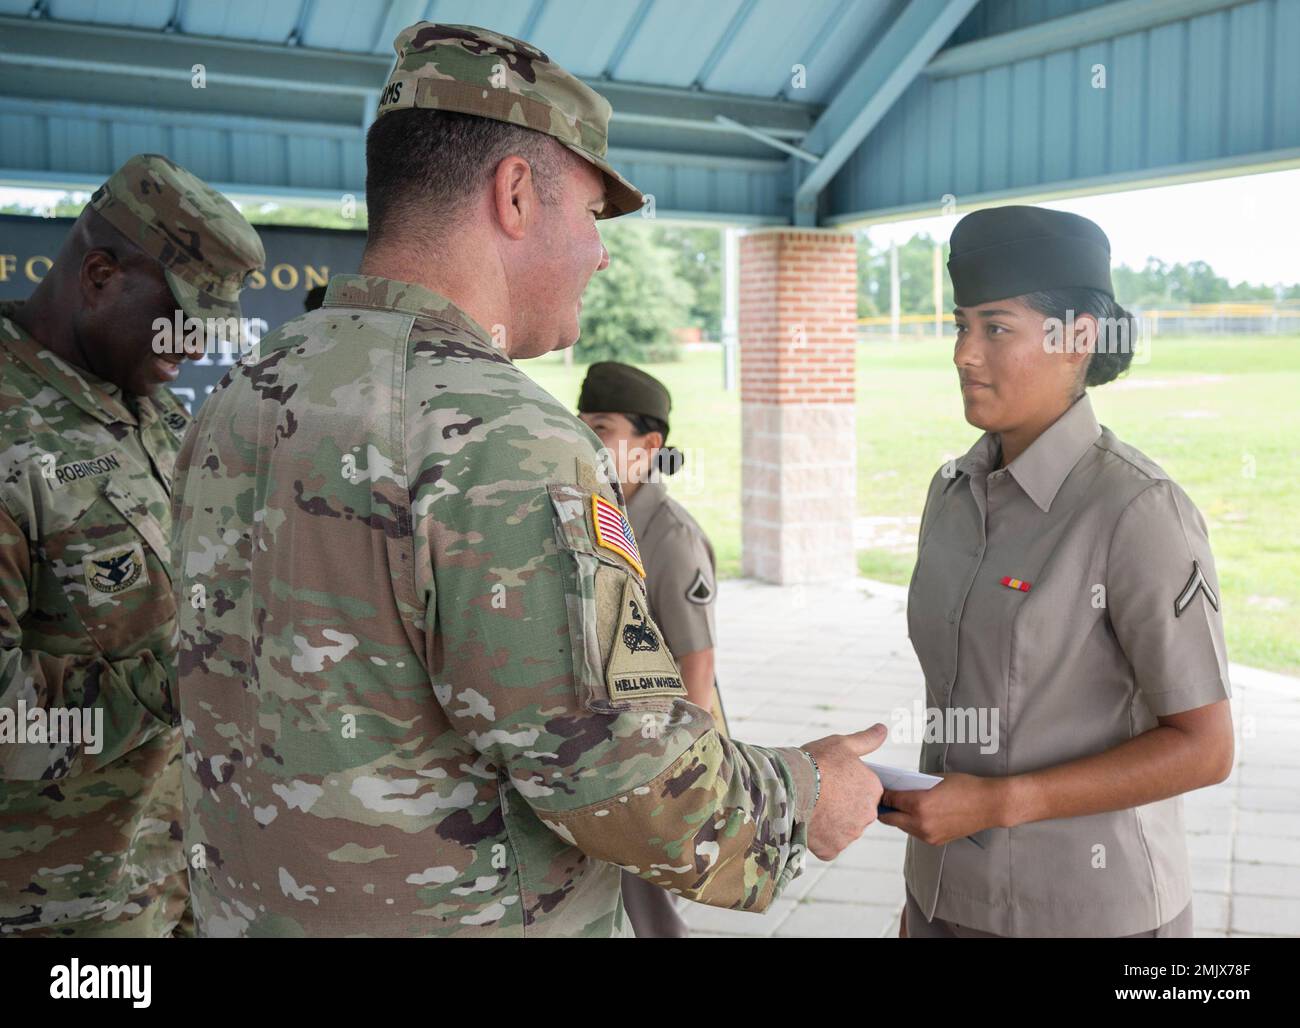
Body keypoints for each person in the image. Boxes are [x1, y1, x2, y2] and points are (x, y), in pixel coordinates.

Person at [171, 22, 887, 938]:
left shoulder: (243, 392)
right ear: (515, 194)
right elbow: (622, 778)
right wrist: (806, 794)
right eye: (591, 216)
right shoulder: (507, 438)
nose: (600, 254)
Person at [888, 205, 1234, 938]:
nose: (964, 354)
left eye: (996, 328)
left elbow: (1206, 747)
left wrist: (1000, 803)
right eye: (961, 325)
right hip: (946, 895)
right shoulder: (950, 495)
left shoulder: (1138, 511)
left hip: (1088, 911)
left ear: (1078, 337)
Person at [0, 153, 264, 936]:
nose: (194, 347)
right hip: (55, 916)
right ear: (101, 275)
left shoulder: (157, 415)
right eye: (180, 318)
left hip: (179, 881)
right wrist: (185, 680)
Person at [577, 361, 726, 938]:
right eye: (582, 423)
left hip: (654, 742)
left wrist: (682, 766)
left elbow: (698, 660)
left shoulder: (669, 535)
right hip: (603, 737)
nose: (588, 439)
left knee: (647, 897)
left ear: (649, 444)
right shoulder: (593, 510)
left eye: (604, 428)